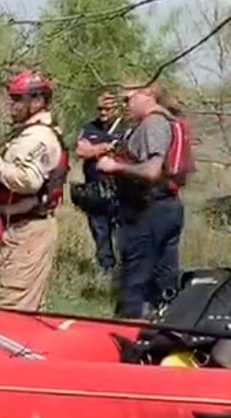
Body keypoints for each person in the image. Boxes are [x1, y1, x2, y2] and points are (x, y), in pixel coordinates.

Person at [97, 80, 193, 319]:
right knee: (163, 279)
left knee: (136, 282)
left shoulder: (153, 124)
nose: (124, 104)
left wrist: (114, 166)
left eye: (128, 98)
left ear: (148, 94)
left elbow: (152, 170)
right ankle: (162, 327)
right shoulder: (162, 122)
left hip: (149, 210)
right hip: (165, 207)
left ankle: (129, 332)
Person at [0, 69, 68, 311]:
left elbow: (29, 180)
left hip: (28, 229)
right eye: (12, 99)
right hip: (19, 225)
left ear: (37, 102)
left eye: (18, 100)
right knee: (25, 305)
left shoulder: (38, 137)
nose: (12, 106)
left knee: (12, 306)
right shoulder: (29, 132)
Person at [74, 90, 123, 275]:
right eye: (100, 109)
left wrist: (93, 150)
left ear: (117, 109)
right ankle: (105, 270)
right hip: (95, 190)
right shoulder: (89, 127)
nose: (103, 113)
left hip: (121, 190)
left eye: (107, 109)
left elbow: (125, 152)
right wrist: (107, 147)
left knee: (123, 234)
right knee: (100, 232)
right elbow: (80, 152)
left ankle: (124, 274)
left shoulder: (126, 128)